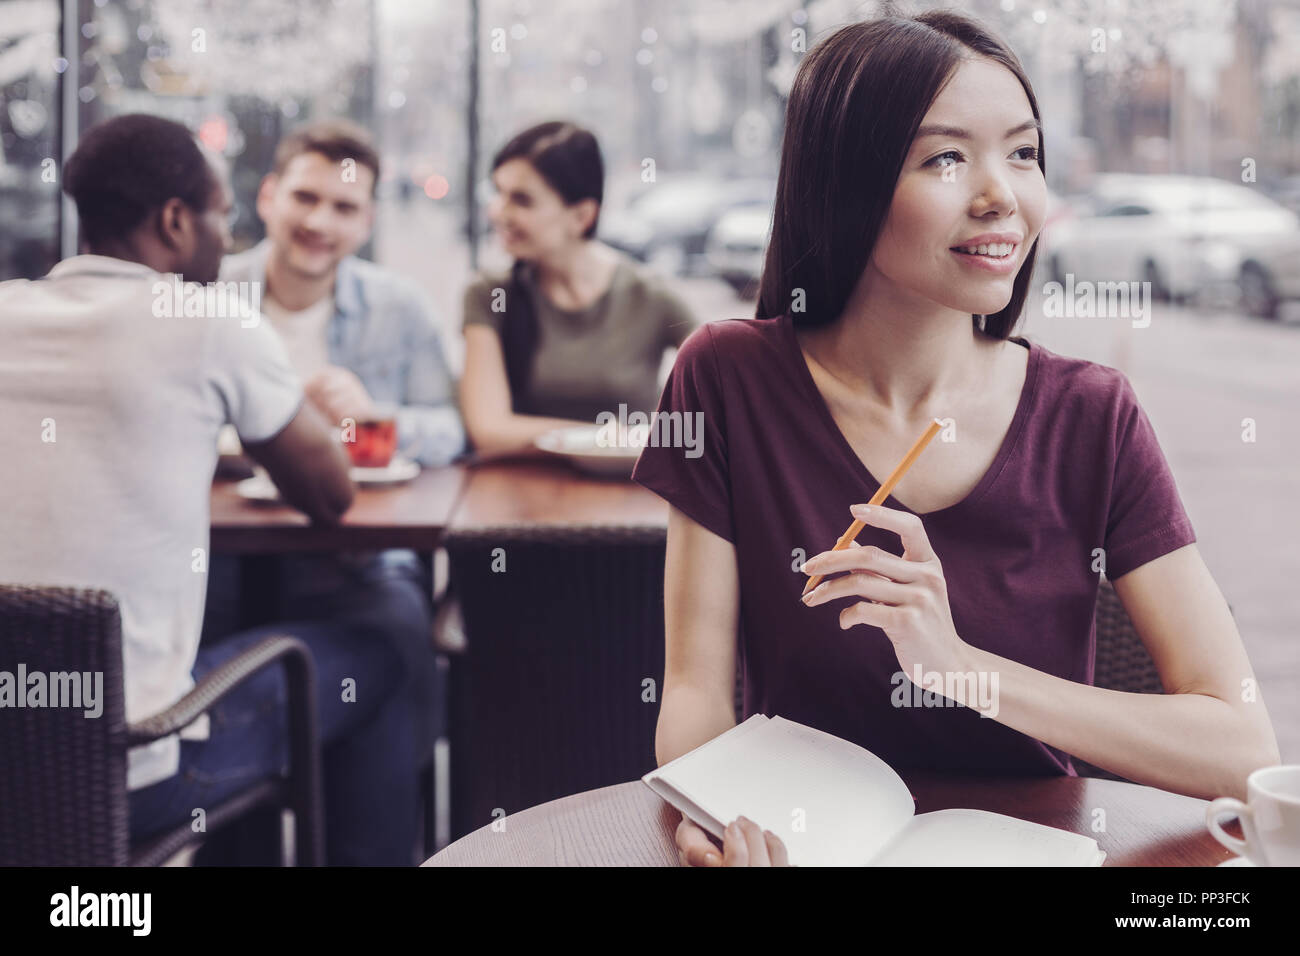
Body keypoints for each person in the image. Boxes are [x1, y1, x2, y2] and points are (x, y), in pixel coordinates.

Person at [632, 11, 1280, 868]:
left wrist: (958, 665)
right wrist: (705, 819)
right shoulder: (728, 378)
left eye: (1023, 153)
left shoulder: (1093, 415)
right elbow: (693, 690)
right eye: (945, 157)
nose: (1001, 196)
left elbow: (1242, 747)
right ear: (846, 182)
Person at [0, 114, 421, 863]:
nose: (226, 239)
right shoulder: (208, 319)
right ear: (172, 220)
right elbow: (330, 493)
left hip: (12, 758)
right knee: (383, 652)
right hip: (133, 765)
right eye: (219, 215)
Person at [213, 119, 464, 861]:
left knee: (397, 618)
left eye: (345, 208)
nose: (320, 223)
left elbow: (451, 431)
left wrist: (377, 419)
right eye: (306, 198)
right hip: (224, 557)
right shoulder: (206, 298)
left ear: (369, 220)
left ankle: (376, 848)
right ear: (268, 196)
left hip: (357, 558)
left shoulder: (400, 308)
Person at [460, 121, 697, 459]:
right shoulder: (490, 295)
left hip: (633, 496)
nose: (499, 212)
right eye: (498, 193)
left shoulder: (652, 296)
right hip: (519, 498)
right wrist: (611, 438)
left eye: (522, 200)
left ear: (582, 215)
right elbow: (489, 430)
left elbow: (722, 402)